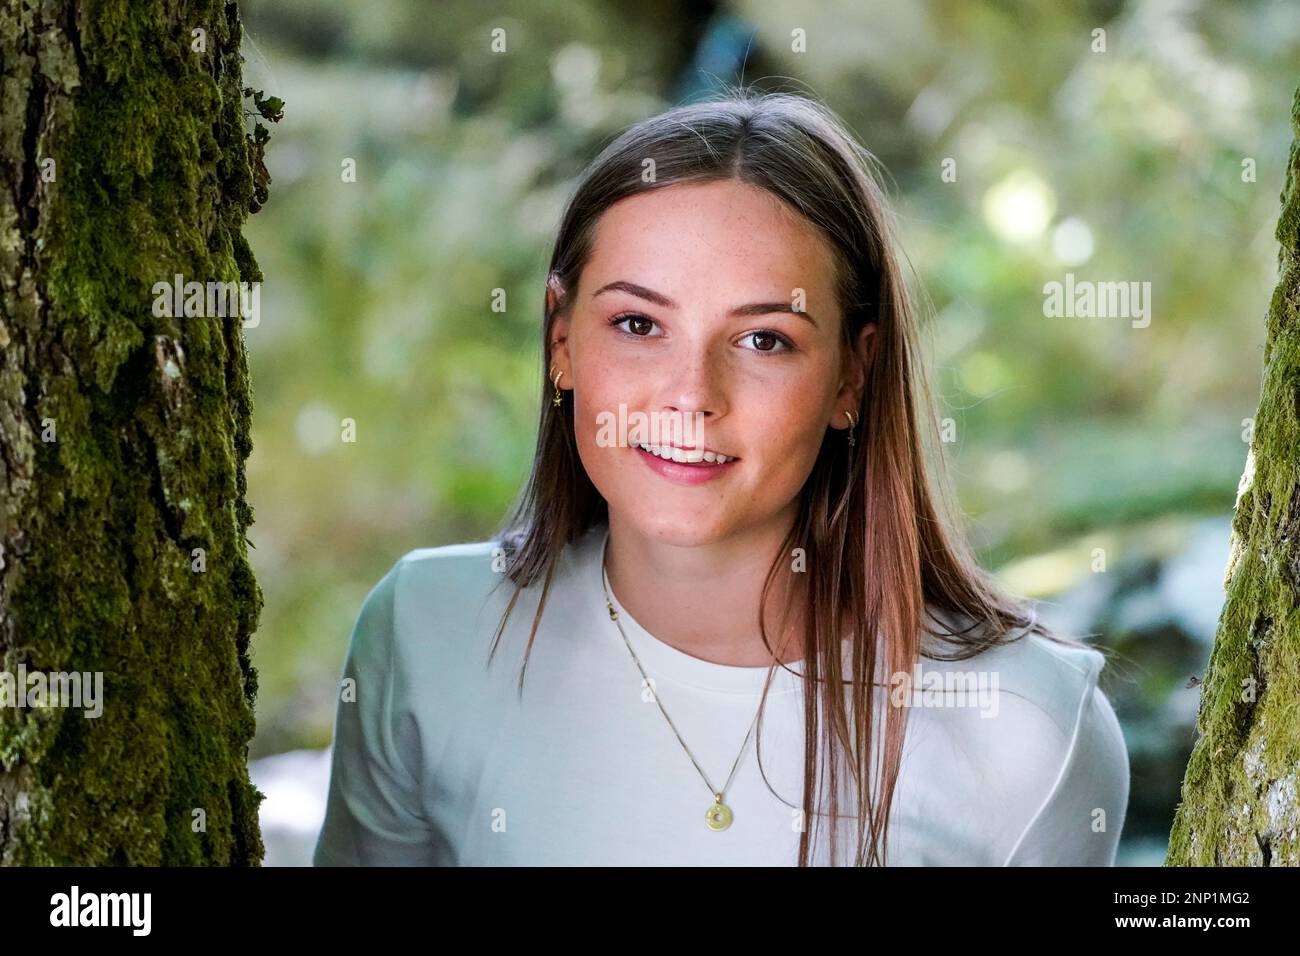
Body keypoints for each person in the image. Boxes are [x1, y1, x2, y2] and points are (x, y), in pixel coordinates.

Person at [312, 86, 1130, 867]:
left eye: (764, 339)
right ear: (561, 342)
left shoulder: (1024, 727)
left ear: (852, 375)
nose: (691, 396)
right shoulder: (427, 636)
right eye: (638, 324)